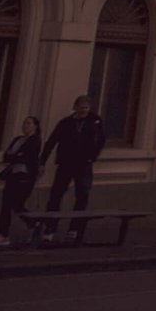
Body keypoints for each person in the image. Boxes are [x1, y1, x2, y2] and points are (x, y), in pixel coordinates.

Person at [42, 95, 107, 240]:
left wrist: (93, 156)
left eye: (87, 108)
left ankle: (75, 229)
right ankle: (50, 227)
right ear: (75, 107)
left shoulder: (94, 121)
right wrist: (42, 161)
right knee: (56, 194)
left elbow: (101, 139)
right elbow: (52, 141)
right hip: (66, 162)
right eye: (82, 107)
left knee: (82, 194)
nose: (84, 110)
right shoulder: (66, 123)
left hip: (84, 163)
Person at [0, 116, 44, 248]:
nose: (26, 126)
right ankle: (4, 234)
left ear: (35, 126)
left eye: (29, 123)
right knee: (6, 205)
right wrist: (15, 157)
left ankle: (33, 223)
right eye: (24, 123)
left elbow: (27, 156)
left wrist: (15, 157)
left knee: (16, 203)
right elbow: (7, 156)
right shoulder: (17, 139)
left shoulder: (35, 140)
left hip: (25, 176)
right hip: (13, 175)